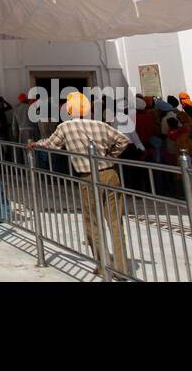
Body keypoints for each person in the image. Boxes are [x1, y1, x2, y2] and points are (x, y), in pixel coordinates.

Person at [30, 92, 130, 278]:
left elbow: (51, 145)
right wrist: (110, 157)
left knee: (92, 222)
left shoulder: (65, 127)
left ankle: (104, 265)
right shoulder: (100, 124)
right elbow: (123, 140)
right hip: (109, 173)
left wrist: (36, 144)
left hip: (88, 176)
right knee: (116, 222)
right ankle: (122, 268)